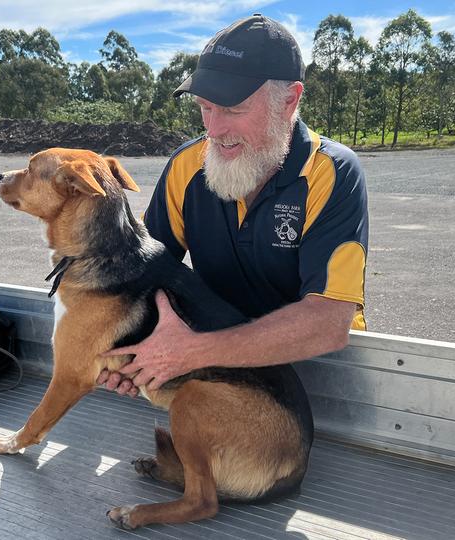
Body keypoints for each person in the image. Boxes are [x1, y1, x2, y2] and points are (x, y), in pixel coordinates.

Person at [98, 14, 368, 396]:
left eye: (232, 109)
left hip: (317, 376)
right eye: (205, 107)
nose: (214, 129)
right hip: (217, 365)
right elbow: (142, 275)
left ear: (289, 100)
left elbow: (328, 322)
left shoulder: (331, 172)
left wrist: (189, 352)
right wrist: (129, 351)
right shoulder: (186, 166)